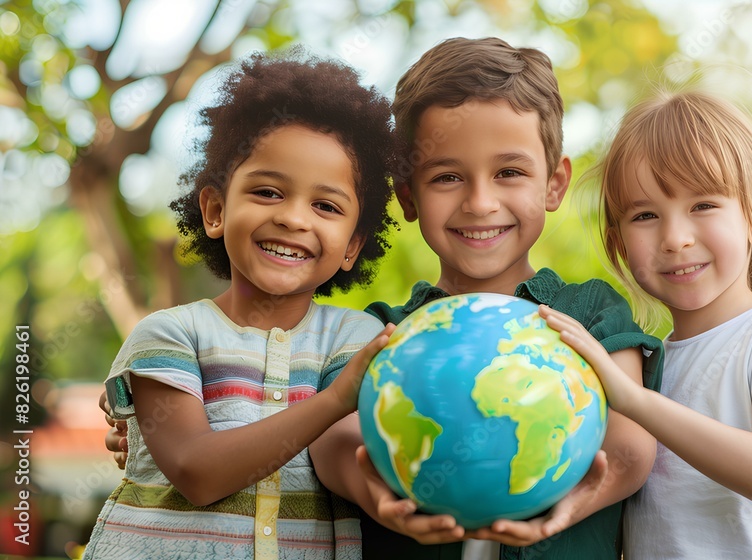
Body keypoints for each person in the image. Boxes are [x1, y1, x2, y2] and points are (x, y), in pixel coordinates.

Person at [307, 37, 665, 560]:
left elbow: (631, 447)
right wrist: (378, 499)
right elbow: (330, 438)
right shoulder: (383, 331)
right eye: (447, 176)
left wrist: (570, 509)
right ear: (408, 195)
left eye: (509, 173)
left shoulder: (591, 311)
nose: (480, 202)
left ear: (554, 183)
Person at [84, 48, 399, 560]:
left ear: (352, 246)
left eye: (325, 205)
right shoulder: (167, 334)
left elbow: (355, 453)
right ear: (214, 210)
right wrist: (335, 399)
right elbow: (197, 472)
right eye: (269, 192)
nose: (295, 219)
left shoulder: (355, 340)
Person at [538, 90, 752, 559]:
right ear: (618, 244)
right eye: (645, 215)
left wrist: (636, 402)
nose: (675, 238)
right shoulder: (644, 361)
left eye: (703, 205)